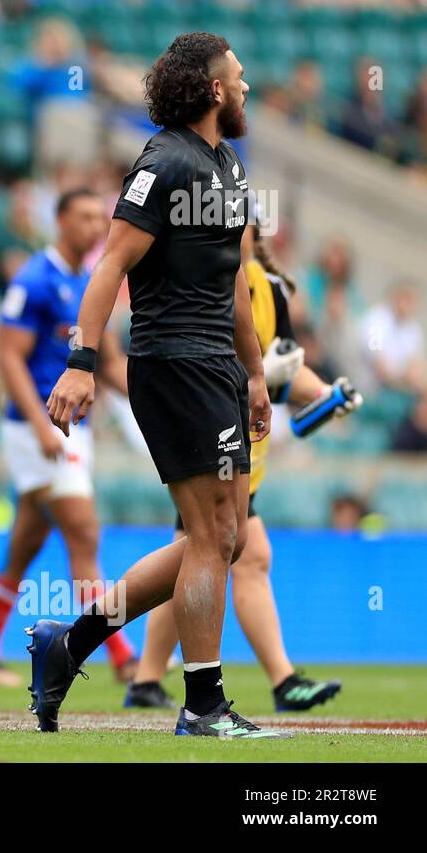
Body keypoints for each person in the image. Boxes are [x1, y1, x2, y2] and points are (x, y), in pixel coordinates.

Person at [32, 32, 285, 739]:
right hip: (172, 362)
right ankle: (202, 705)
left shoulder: (228, 164)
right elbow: (109, 267)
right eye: (237, 77)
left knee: (223, 537)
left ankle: (69, 643)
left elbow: (235, 281)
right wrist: (82, 363)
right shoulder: (163, 162)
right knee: (212, 532)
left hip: (221, 368)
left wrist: (257, 370)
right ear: (211, 90)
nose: (246, 86)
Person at [125, 227, 356, 713]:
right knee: (242, 554)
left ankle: (135, 671)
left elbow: (286, 365)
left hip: (243, 444)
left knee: (194, 554)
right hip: (208, 428)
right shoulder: (198, 275)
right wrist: (261, 375)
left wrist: (327, 395)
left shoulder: (270, 289)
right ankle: (281, 681)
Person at [0, 189, 137, 687]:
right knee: (83, 530)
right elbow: (8, 357)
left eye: (97, 218)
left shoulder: (87, 282)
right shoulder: (33, 280)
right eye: (82, 217)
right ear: (59, 221)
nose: (92, 226)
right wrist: (40, 425)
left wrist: (150, 400)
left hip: (72, 426)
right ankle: (121, 653)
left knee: (26, 541)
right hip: (35, 426)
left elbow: (106, 364)